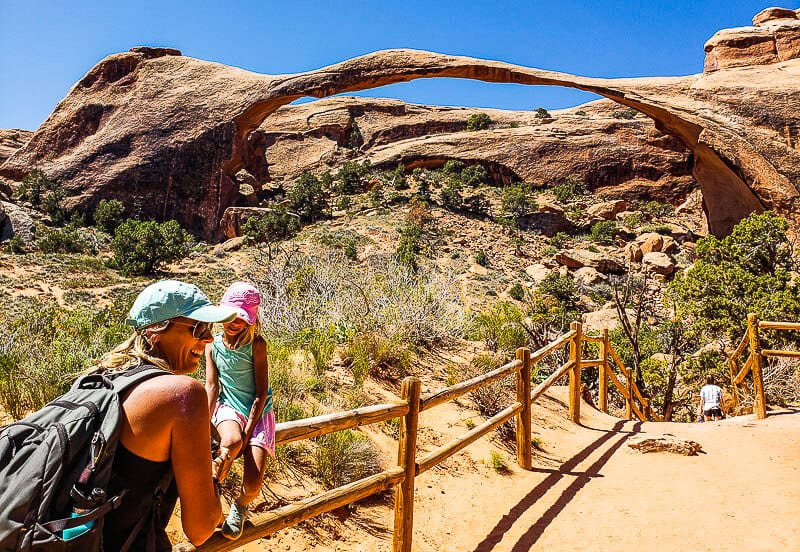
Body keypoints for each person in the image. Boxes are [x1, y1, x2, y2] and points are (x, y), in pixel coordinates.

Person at [94, 280, 238, 550]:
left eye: (210, 329)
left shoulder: (101, 379)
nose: (208, 339)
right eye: (198, 328)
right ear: (155, 331)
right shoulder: (182, 394)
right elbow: (201, 527)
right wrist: (214, 476)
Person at [205, 281, 275, 541]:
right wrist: (203, 418)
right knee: (231, 442)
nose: (233, 323)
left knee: (254, 483)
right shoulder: (213, 345)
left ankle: (240, 506)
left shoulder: (256, 345)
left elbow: (260, 392)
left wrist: (249, 432)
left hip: (257, 412)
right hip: (229, 406)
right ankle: (212, 495)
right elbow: (212, 385)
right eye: (229, 316)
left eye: (241, 318)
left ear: (251, 321)